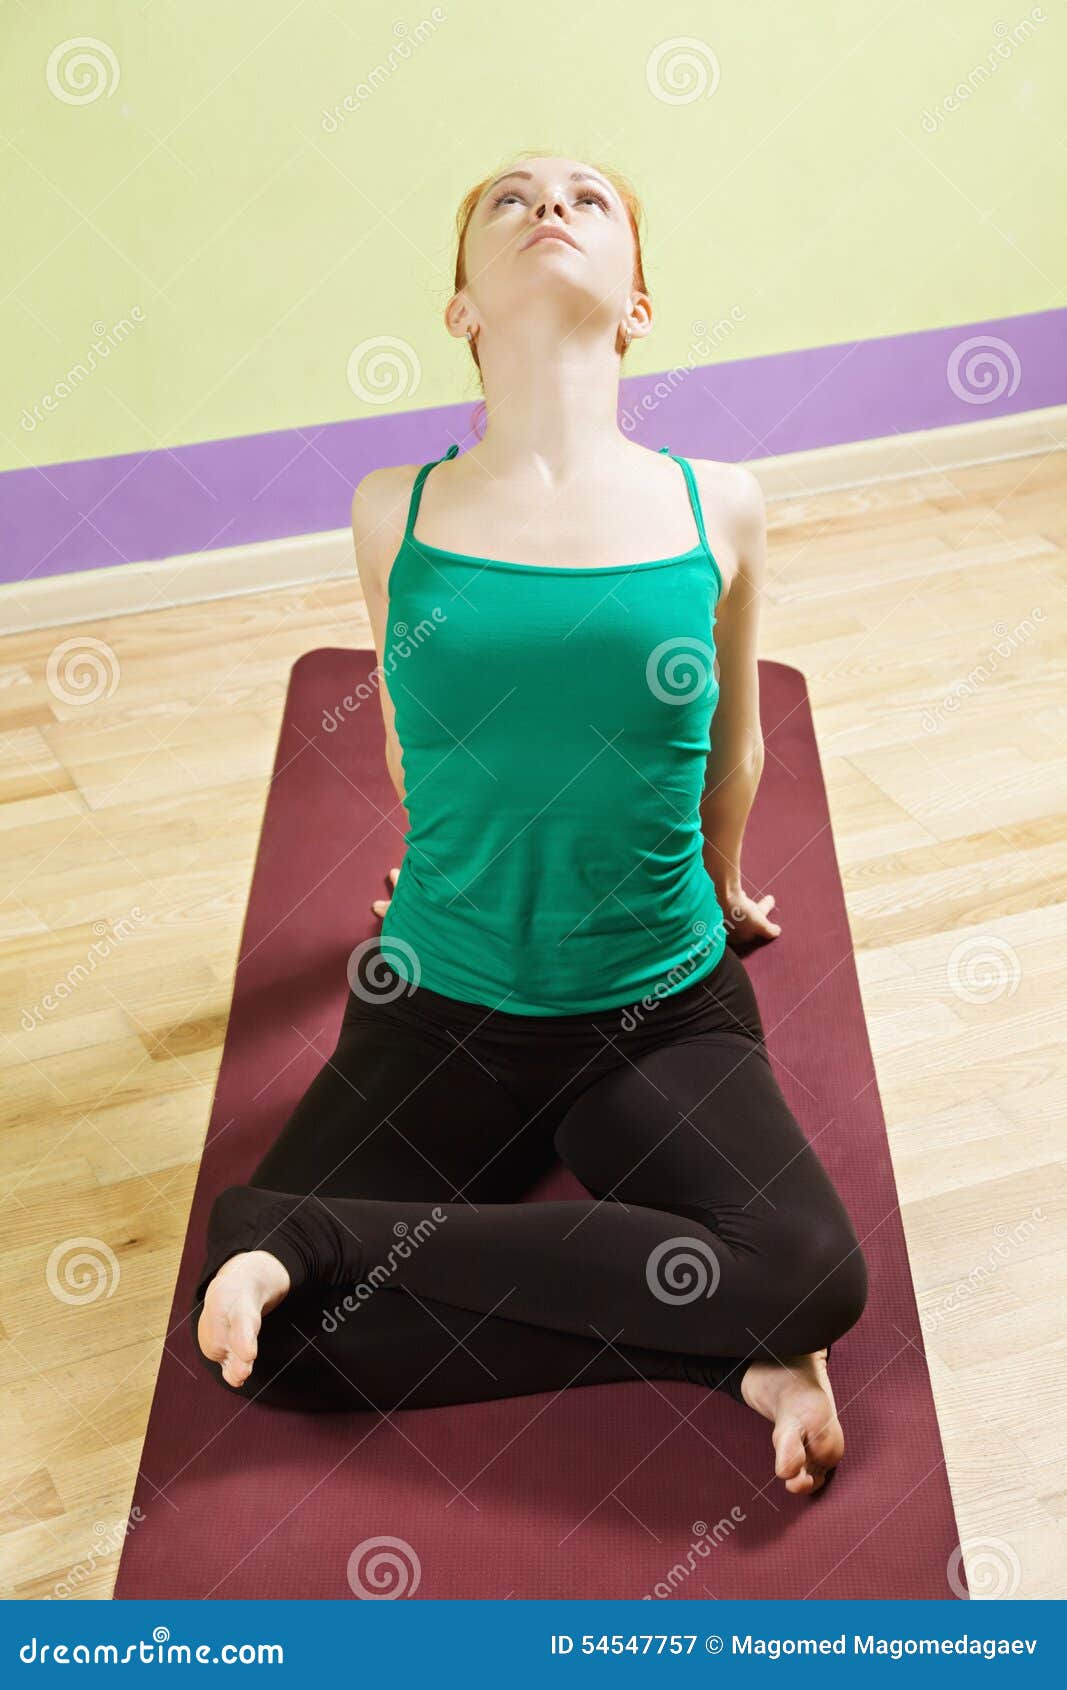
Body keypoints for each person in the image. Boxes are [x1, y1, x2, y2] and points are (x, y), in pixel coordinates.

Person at [192, 153, 868, 1497]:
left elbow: (728, 748)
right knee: (264, 1350)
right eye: (509, 199)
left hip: (659, 1008)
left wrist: (722, 884)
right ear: (460, 312)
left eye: (587, 198)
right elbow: (409, 730)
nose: (549, 206)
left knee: (813, 1268)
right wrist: (453, 866)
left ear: (638, 305)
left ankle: (303, 1233)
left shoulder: (715, 502)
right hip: (442, 1002)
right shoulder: (397, 508)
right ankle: (721, 1347)